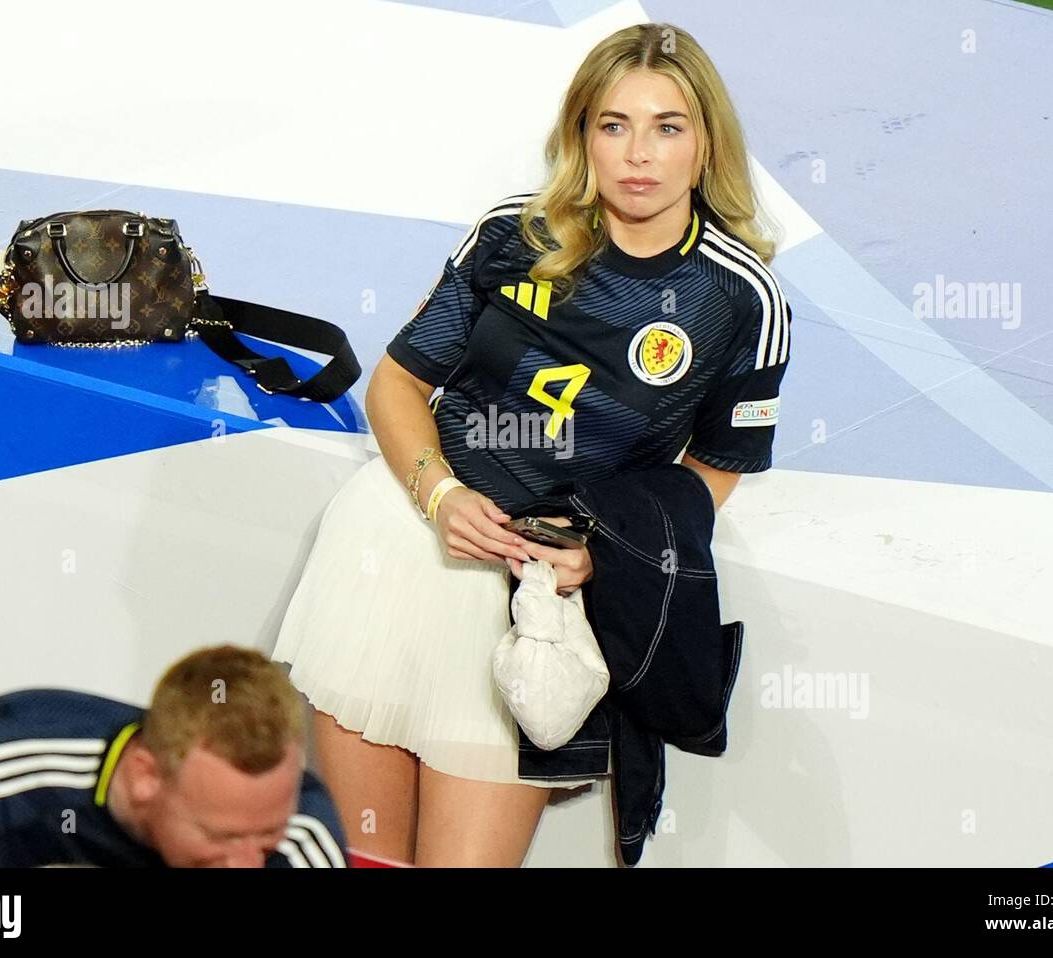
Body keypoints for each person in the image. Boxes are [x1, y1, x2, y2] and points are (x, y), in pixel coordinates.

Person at [272, 21, 792, 867]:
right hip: (398, 549)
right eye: (613, 125)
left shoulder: (739, 296)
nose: (639, 154)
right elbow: (397, 384)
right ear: (582, 135)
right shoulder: (515, 235)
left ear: (707, 144)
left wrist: (605, 554)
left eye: (668, 127)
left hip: (533, 602)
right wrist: (438, 495)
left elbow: (717, 465)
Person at [0, 645, 348, 867]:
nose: (247, 864)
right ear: (146, 776)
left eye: (266, 836)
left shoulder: (304, 838)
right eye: (219, 835)